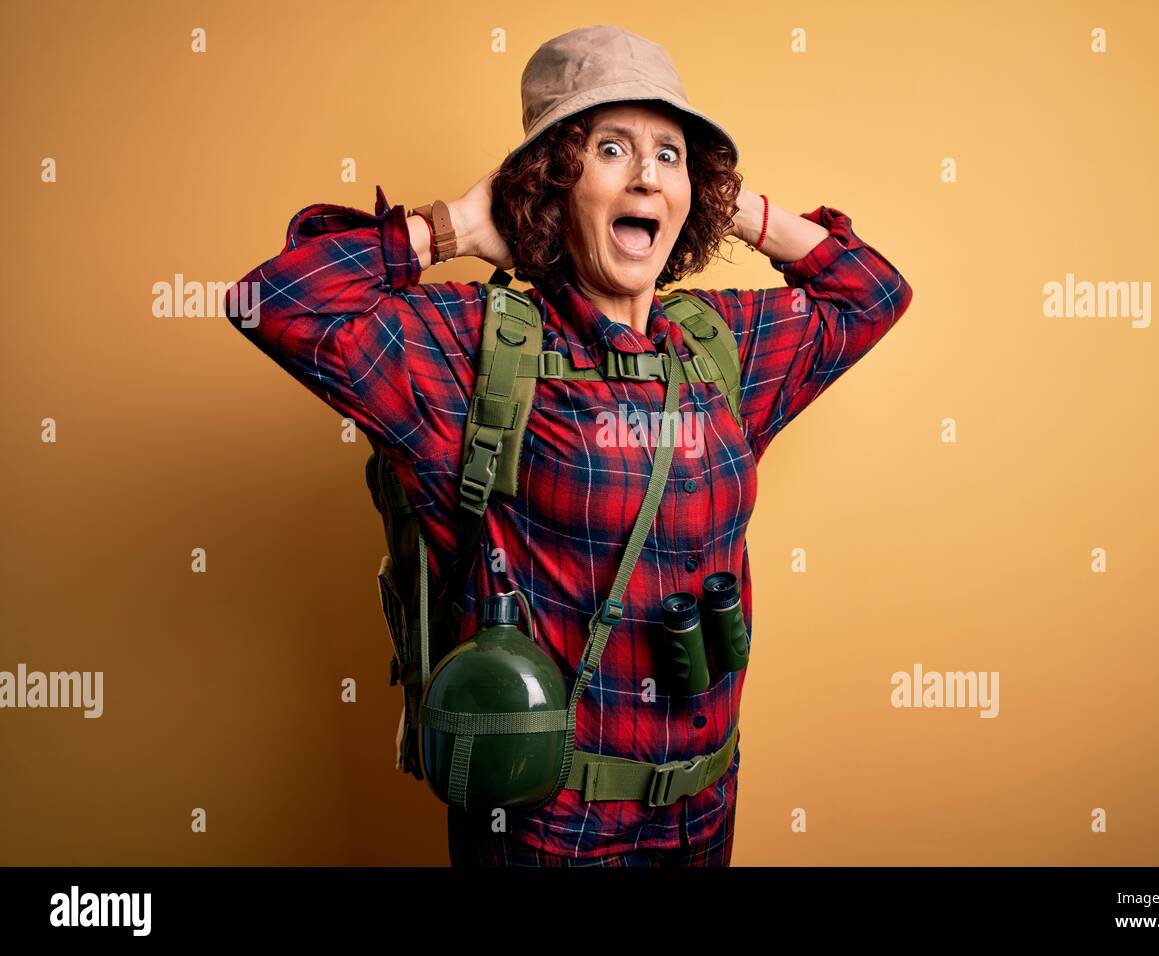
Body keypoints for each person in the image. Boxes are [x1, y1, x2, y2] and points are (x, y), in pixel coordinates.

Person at [225, 24, 914, 867]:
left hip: (705, 806)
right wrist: (456, 226)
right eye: (612, 148)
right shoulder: (480, 349)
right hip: (548, 826)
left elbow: (871, 293)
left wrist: (729, 204)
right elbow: (272, 303)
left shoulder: (717, 349)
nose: (647, 177)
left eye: (670, 155)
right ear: (553, 181)